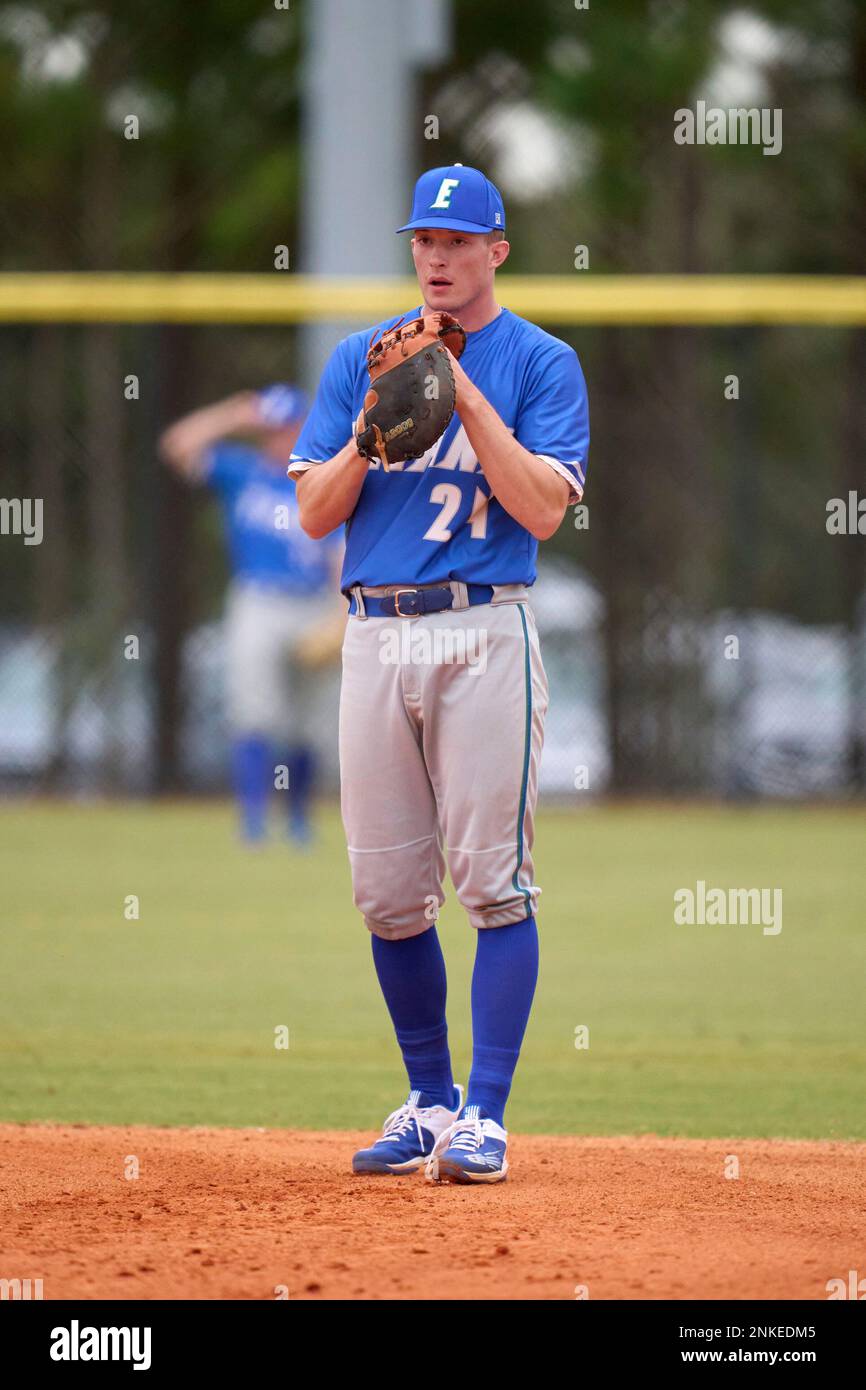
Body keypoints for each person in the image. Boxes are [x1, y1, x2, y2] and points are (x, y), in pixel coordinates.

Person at [289, 165, 590, 1183]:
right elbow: (316, 513)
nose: (436, 258)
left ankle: (486, 1119)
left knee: (491, 884)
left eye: (458, 242)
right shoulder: (357, 357)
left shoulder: (541, 362)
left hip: (481, 629)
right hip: (374, 634)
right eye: (423, 240)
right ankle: (428, 1102)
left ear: (496, 250)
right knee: (386, 894)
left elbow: (543, 510)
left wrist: (456, 392)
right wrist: (376, 427)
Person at [159, 384, 344, 844]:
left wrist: (341, 615)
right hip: (257, 601)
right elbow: (176, 445)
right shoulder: (241, 472)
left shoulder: (320, 479)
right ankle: (254, 822)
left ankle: (298, 820)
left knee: (309, 723)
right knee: (255, 712)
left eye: (287, 429)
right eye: (270, 430)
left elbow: (341, 552)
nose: (278, 439)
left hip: (312, 604)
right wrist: (233, 413)